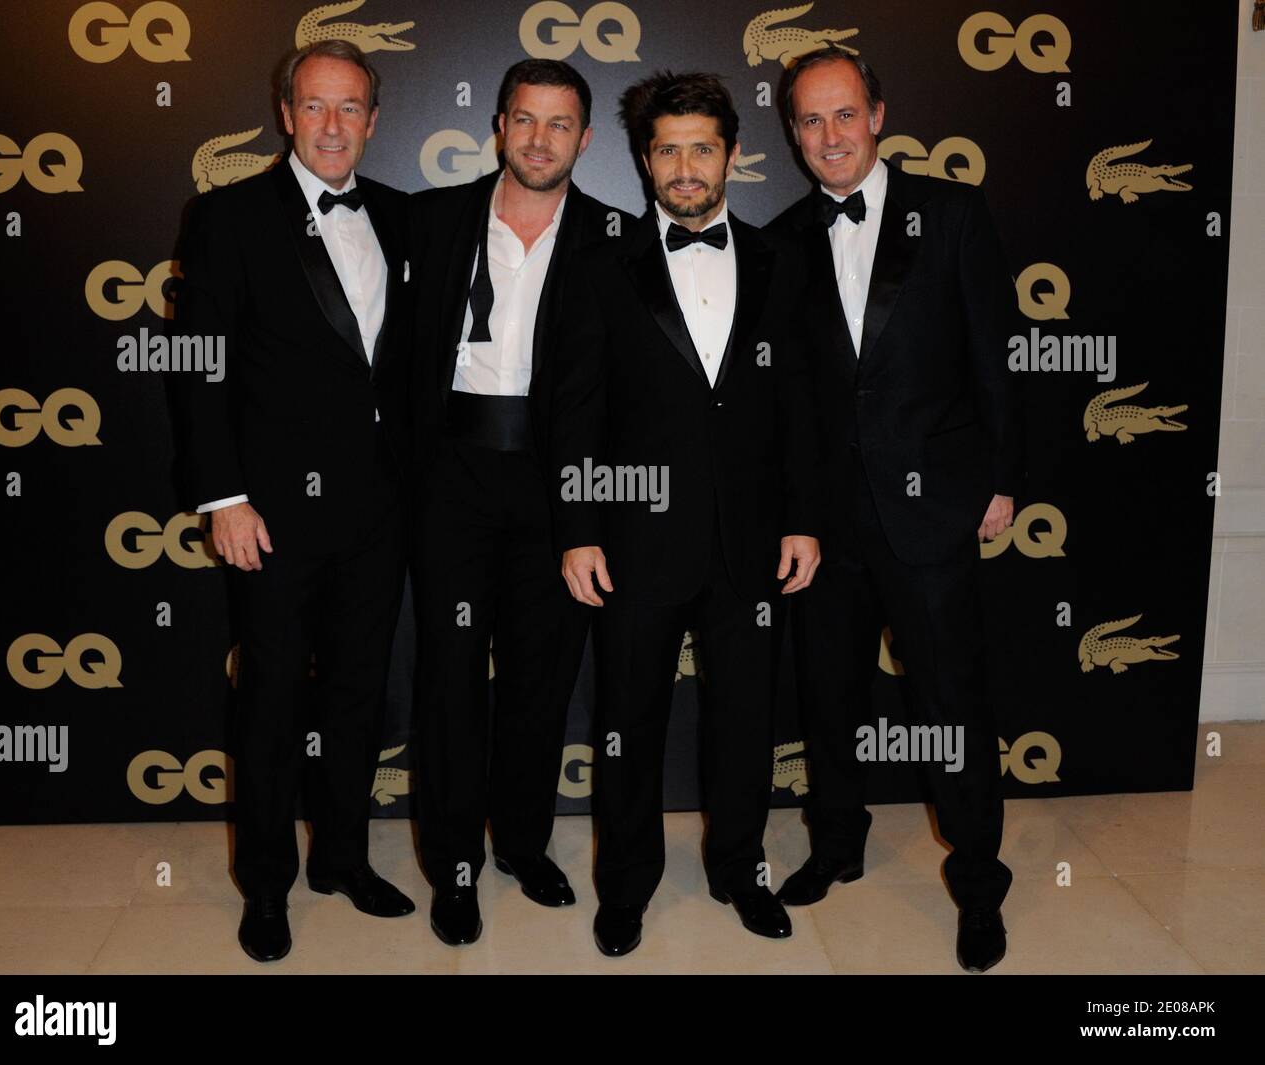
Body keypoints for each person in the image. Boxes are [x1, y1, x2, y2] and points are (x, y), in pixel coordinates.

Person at [551, 71, 824, 957]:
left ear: (733, 156)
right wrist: (581, 529)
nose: (684, 164)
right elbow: (575, 410)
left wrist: (802, 518)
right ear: (642, 160)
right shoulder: (600, 269)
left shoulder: (785, 263)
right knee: (628, 722)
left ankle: (739, 872)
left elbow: (800, 410)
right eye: (666, 147)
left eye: (701, 146)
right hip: (634, 541)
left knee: (745, 721)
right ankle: (625, 888)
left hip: (750, 543)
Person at [765, 46, 1023, 973]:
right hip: (828, 526)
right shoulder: (784, 239)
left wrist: (1000, 480)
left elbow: (997, 352)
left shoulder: (950, 213)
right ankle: (838, 845)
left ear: (877, 114)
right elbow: (788, 398)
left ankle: (981, 884)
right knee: (829, 697)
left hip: (932, 512)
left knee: (949, 703)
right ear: (792, 134)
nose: (828, 136)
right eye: (809, 121)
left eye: (843, 114)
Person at [170, 39, 414, 962]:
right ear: (284, 114)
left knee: (358, 694)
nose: (332, 124)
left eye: (350, 107)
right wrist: (223, 498)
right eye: (314, 106)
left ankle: (342, 859)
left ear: (374, 120)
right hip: (268, 515)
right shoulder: (227, 217)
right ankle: (266, 886)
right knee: (271, 703)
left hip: (379, 511)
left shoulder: (400, 216)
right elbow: (200, 371)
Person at [405, 59, 632, 946]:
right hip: (452, 480)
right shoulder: (427, 220)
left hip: (560, 490)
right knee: (451, 681)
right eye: (526, 120)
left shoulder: (619, 237)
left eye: (561, 124)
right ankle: (455, 867)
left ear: (585, 137)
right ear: (499, 125)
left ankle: (524, 846)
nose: (541, 139)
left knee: (541, 682)